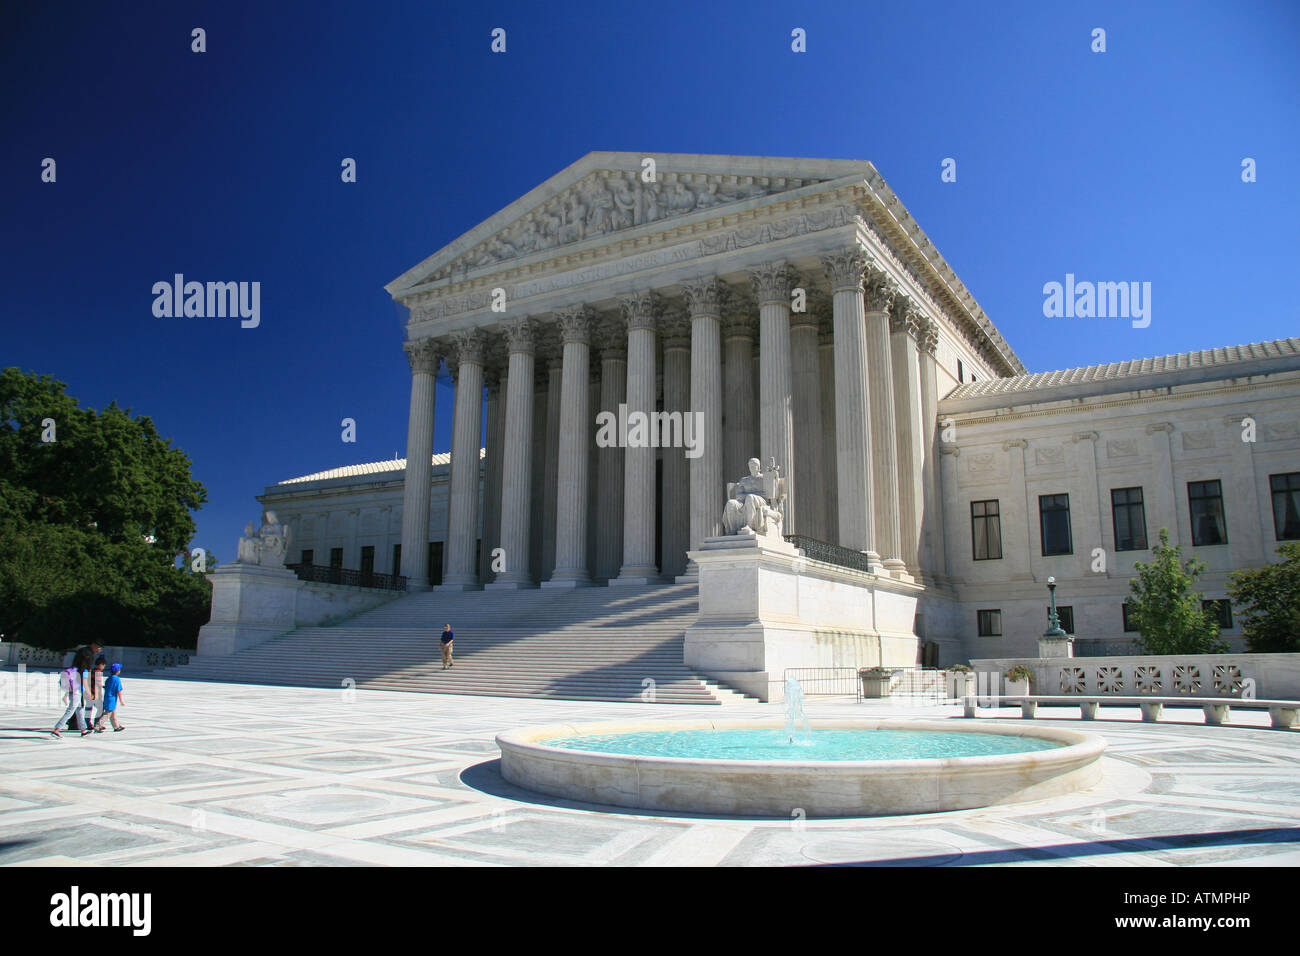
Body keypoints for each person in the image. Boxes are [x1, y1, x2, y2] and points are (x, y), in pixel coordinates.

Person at [51, 664, 91, 737]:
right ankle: (56, 730)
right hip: (77, 694)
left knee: (80, 711)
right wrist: (89, 693)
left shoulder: (75, 669)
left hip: (73, 693)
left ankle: (83, 730)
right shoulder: (84, 670)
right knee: (70, 712)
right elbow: (85, 683)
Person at [95, 663, 125, 732]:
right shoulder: (117, 679)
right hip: (112, 699)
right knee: (107, 714)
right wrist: (121, 700)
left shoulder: (109, 679)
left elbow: (106, 687)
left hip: (107, 698)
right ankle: (98, 726)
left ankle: (116, 726)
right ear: (117, 671)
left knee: (113, 714)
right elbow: (119, 690)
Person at [89, 657, 107, 730]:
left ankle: (89, 724)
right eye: (103, 665)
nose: (103, 667)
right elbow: (98, 684)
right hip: (95, 694)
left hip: (90, 693)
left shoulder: (92, 671)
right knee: (100, 709)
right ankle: (97, 724)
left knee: (89, 710)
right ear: (100, 665)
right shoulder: (98, 672)